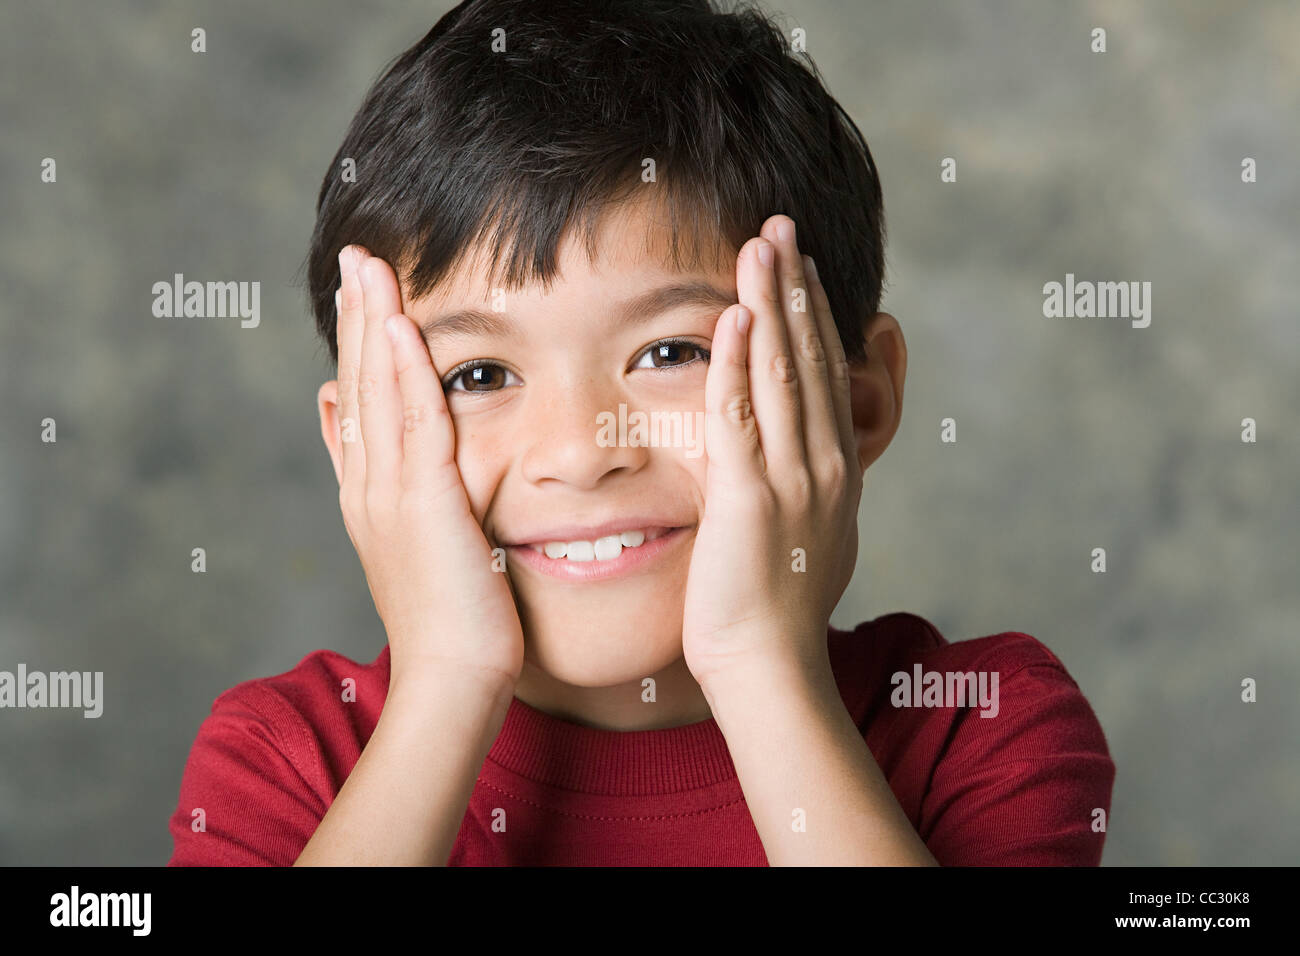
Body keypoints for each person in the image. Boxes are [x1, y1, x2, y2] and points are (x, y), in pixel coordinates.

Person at [168, 0, 1114, 866]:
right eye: (479, 375)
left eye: (670, 353)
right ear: (356, 444)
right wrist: (447, 681)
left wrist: (759, 663)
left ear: (857, 401)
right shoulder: (289, 761)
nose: (582, 450)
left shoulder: (975, 727)